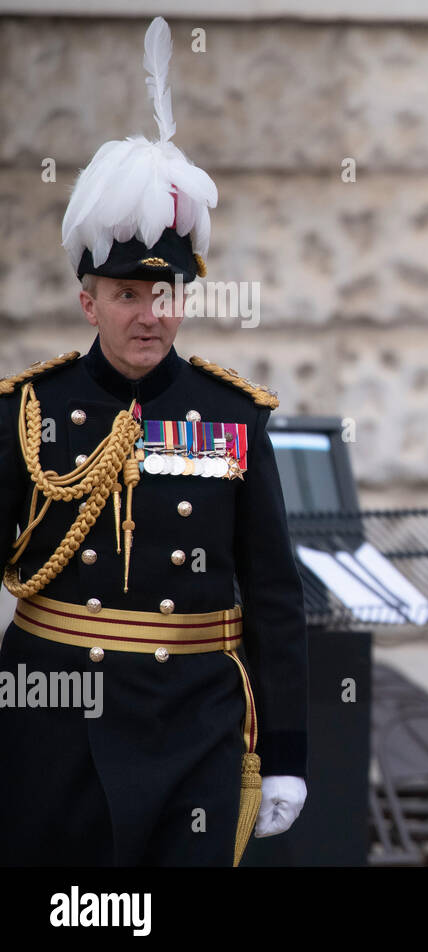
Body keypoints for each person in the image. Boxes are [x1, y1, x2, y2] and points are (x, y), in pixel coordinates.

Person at [0, 17, 307, 866]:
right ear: (88, 300)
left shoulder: (232, 414)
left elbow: (274, 593)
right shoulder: (29, 409)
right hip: (54, 712)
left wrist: (285, 754)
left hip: (196, 719)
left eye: (167, 292)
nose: (153, 313)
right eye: (129, 295)